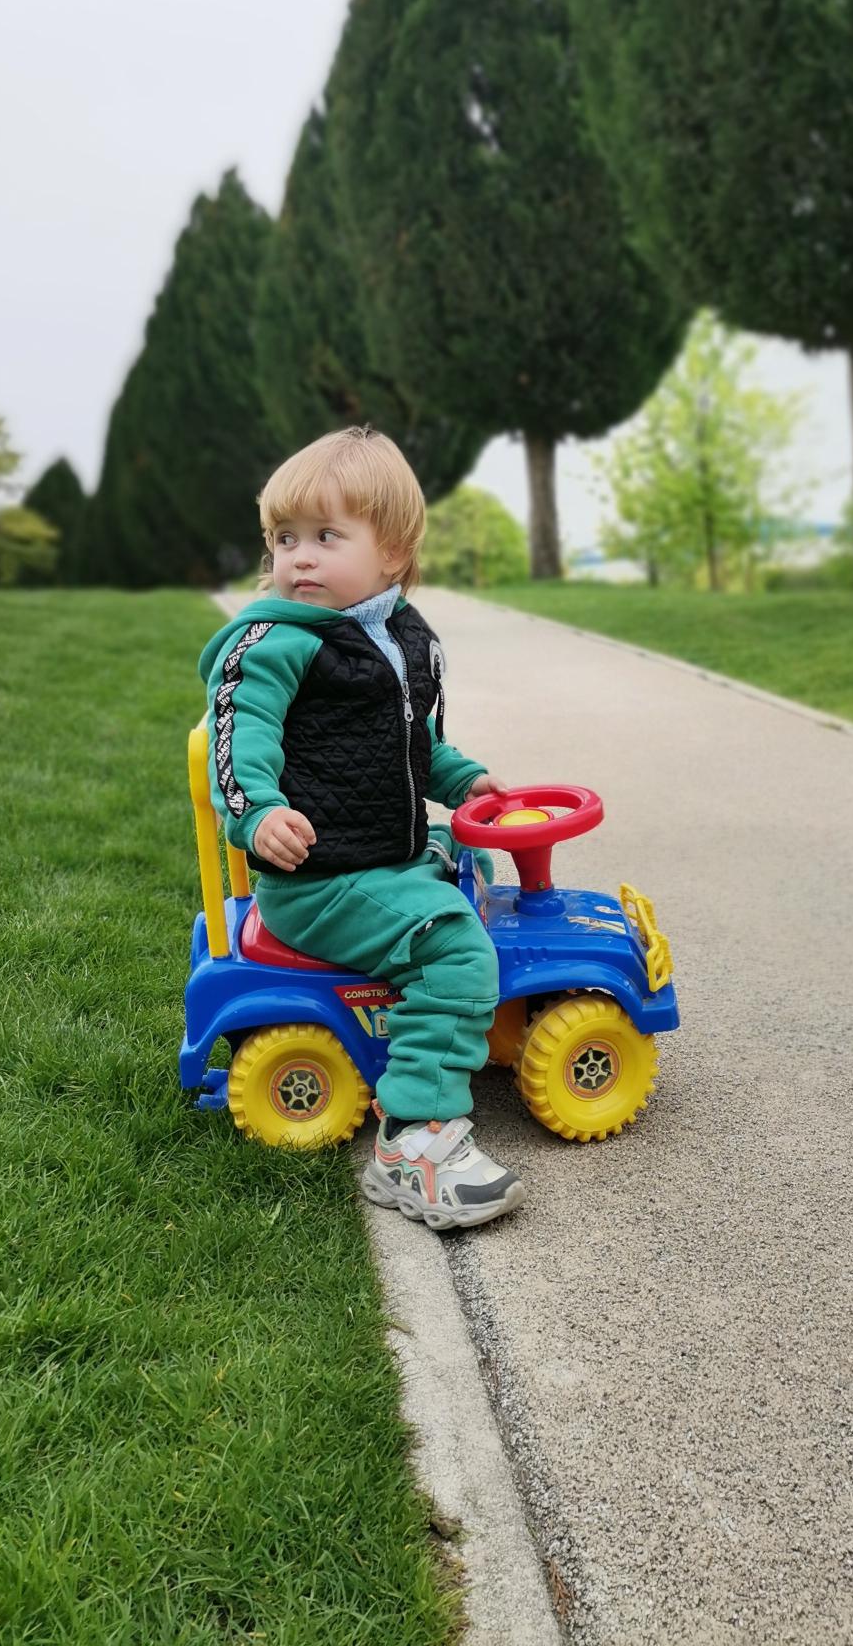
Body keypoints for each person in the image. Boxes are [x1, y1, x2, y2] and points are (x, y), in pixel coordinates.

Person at [199, 425, 526, 1230]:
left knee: (467, 868)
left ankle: (445, 1031)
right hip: (319, 879)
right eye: (284, 539)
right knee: (454, 944)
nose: (298, 557)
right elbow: (239, 743)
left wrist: (461, 779)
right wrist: (260, 814)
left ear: (393, 551)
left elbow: (411, 743)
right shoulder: (274, 643)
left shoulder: (398, 633)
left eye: (325, 536)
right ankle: (415, 1142)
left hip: (383, 852)